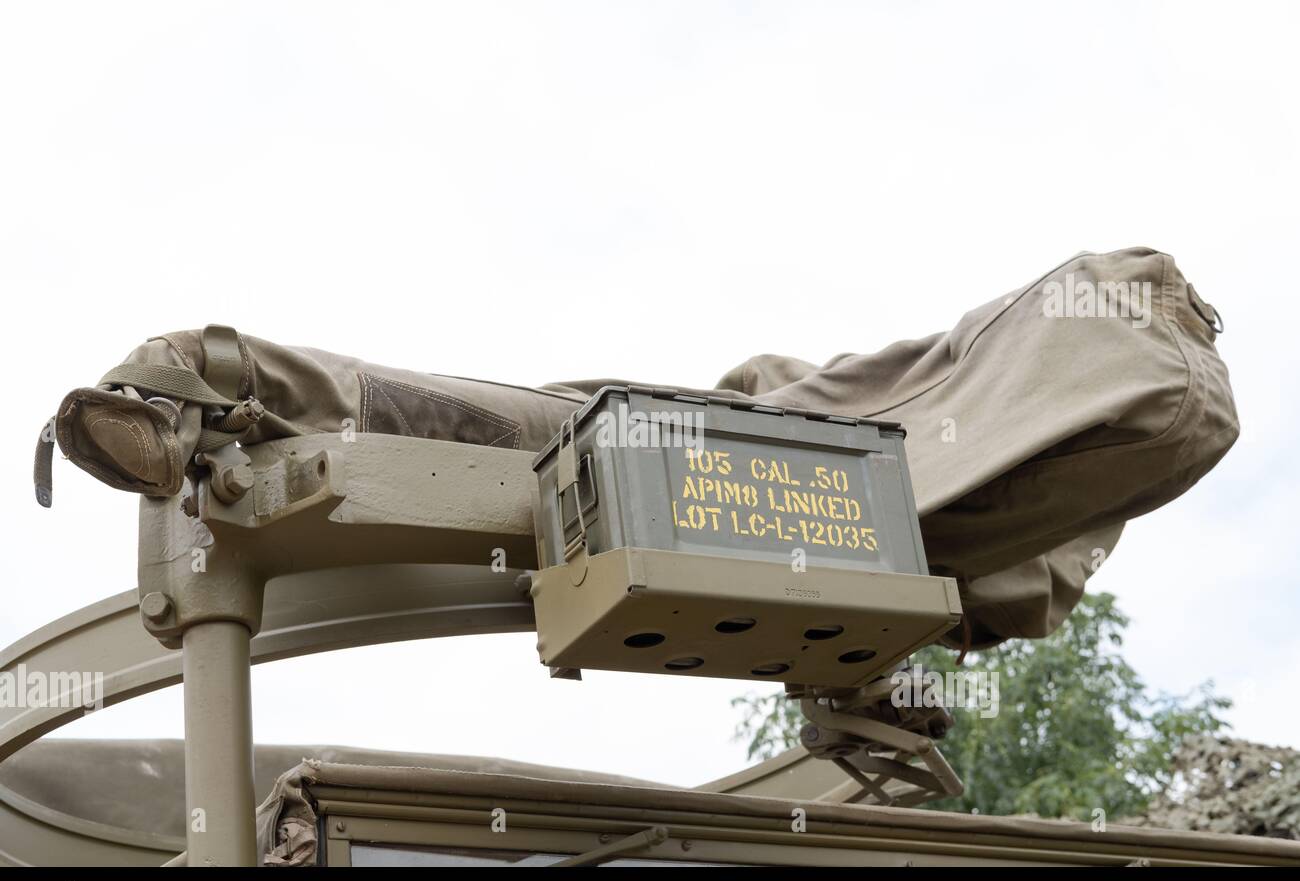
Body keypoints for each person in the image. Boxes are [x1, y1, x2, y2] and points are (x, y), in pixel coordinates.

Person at [39, 247, 1236, 649]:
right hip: (764, 448)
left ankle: (212, 378)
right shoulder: (1080, 365)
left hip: (802, 475)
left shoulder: (1121, 377)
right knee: (564, 431)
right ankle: (210, 379)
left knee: (571, 435)